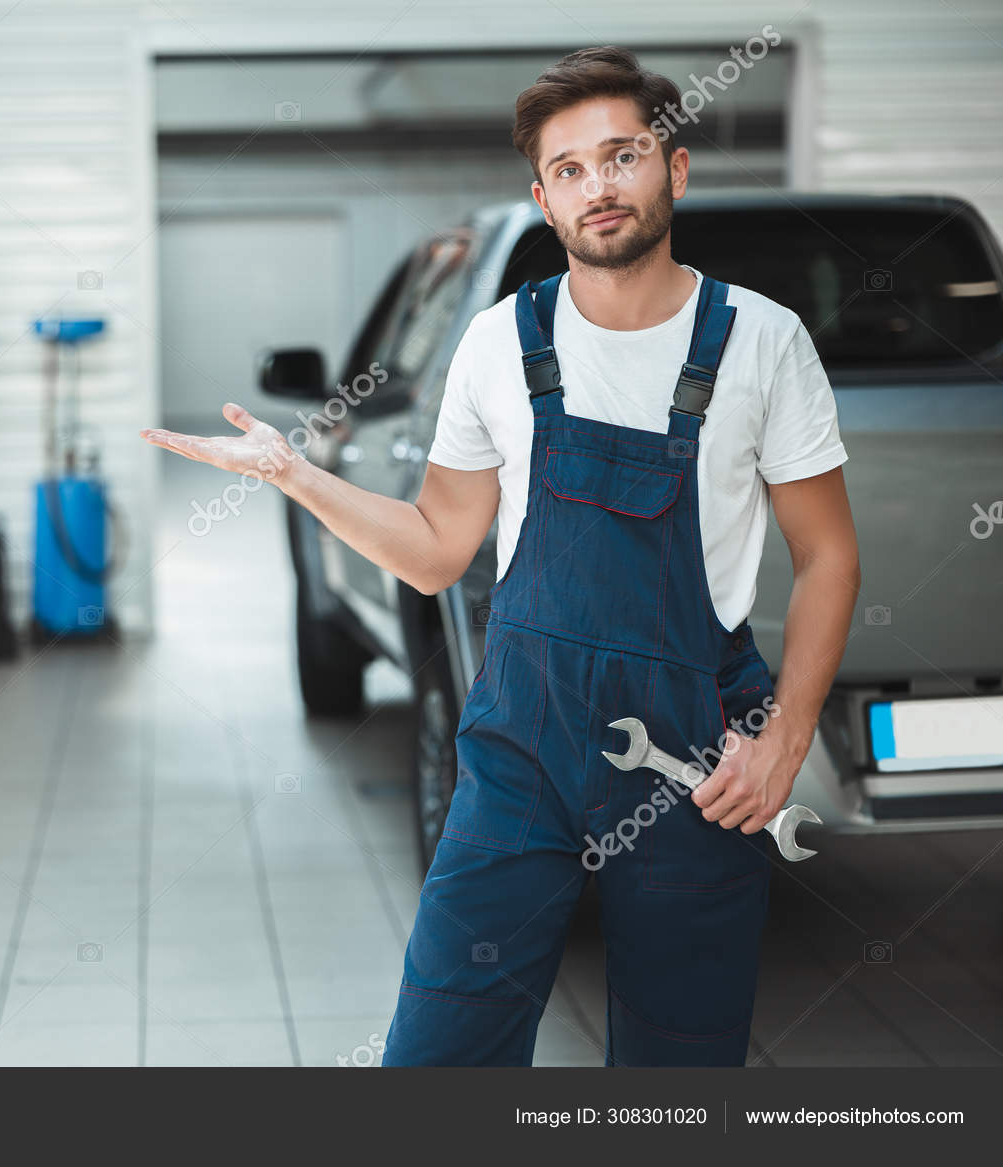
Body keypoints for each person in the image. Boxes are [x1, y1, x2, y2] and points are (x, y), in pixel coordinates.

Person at [139, 46, 859, 1066]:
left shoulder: (761, 342)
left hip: (693, 754)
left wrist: (784, 743)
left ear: (675, 170)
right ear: (543, 196)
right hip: (523, 740)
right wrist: (296, 474)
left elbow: (828, 556)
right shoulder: (496, 343)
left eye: (621, 157)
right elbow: (437, 551)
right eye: (568, 169)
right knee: (441, 1047)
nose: (596, 186)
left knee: (678, 1062)